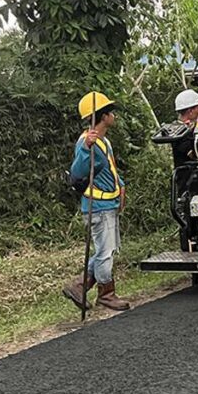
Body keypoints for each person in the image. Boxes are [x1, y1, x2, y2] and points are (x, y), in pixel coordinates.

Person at [62, 91, 130, 312]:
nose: (113, 116)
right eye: (110, 112)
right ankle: (106, 294)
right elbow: (78, 171)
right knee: (105, 252)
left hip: (108, 204)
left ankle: (79, 286)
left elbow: (108, 169)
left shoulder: (104, 141)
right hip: (98, 207)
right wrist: (86, 148)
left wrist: (120, 186)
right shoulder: (87, 142)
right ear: (102, 116)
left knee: (107, 249)